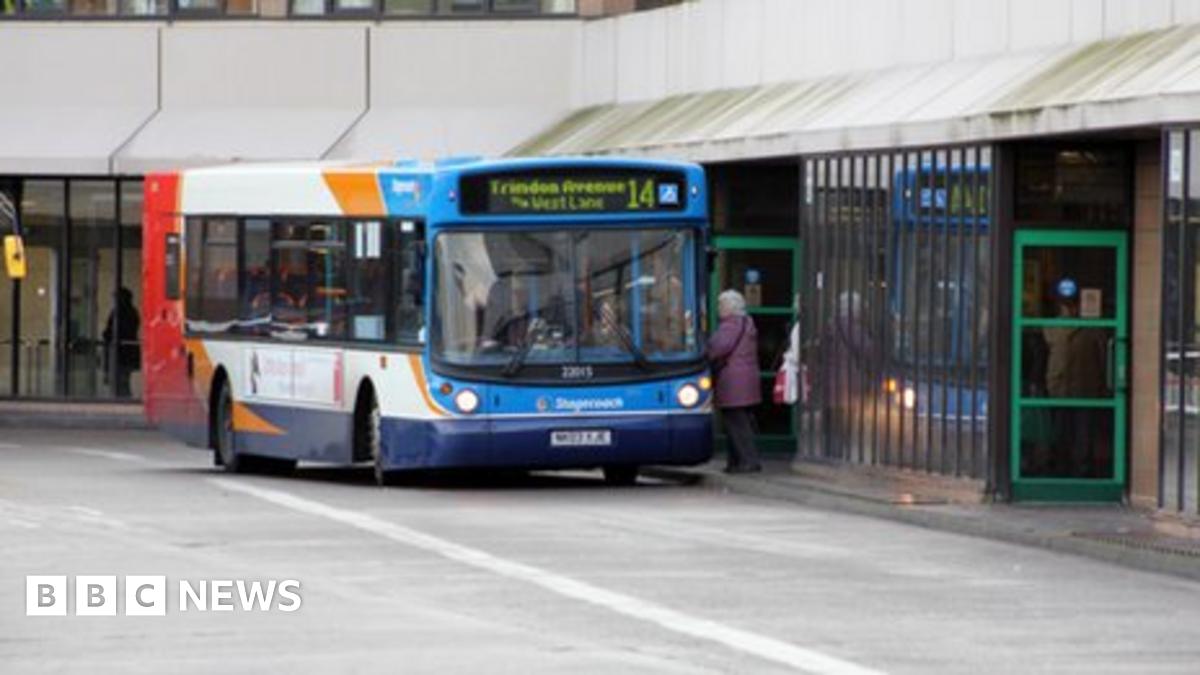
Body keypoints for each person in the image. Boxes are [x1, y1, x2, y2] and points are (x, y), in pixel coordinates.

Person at [708, 289, 762, 473]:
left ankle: (747, 461)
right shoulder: (747, 323)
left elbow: (718, 347)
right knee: (741, 421)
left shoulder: (730, 325)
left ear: (730, 307)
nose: (718, 308)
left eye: (721, 304)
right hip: (747, 380)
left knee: (736, 423)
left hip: (733, 382)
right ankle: (736, 462)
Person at [103, 287, 140, 398]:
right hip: (124, 352)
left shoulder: (122, 312)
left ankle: (122, 399)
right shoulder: (131, 312)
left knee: (121, 381)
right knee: (122, 381)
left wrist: (107, 335)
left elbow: (117, 331)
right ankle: (123, 398)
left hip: (122, 353)